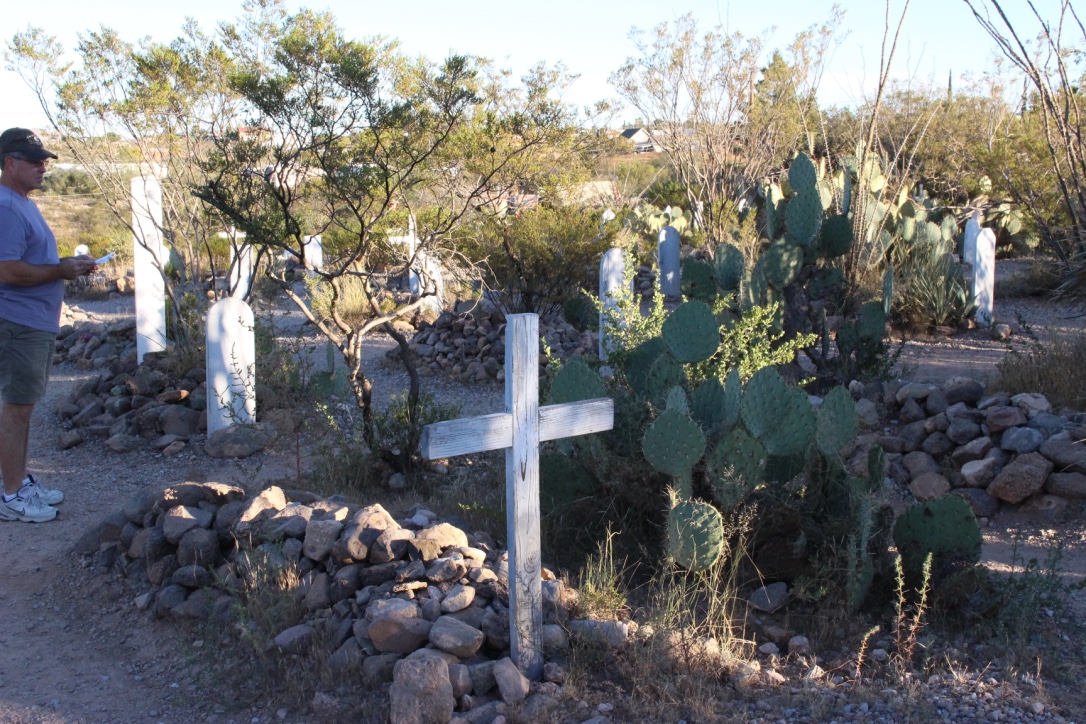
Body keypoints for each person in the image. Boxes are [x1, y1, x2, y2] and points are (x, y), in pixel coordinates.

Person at [0, 128, 96, 523]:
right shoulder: (7, 206)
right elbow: (7, 270)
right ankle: (10, 496)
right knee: (16, 409)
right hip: (19, 322)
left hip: (31, 321)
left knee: (22, 407)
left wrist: (64, 269)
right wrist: (61, 270)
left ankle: (18, 482)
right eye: (34, 160)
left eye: (45, 160)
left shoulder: (21, 202)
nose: (43, 167)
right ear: (9, 162)